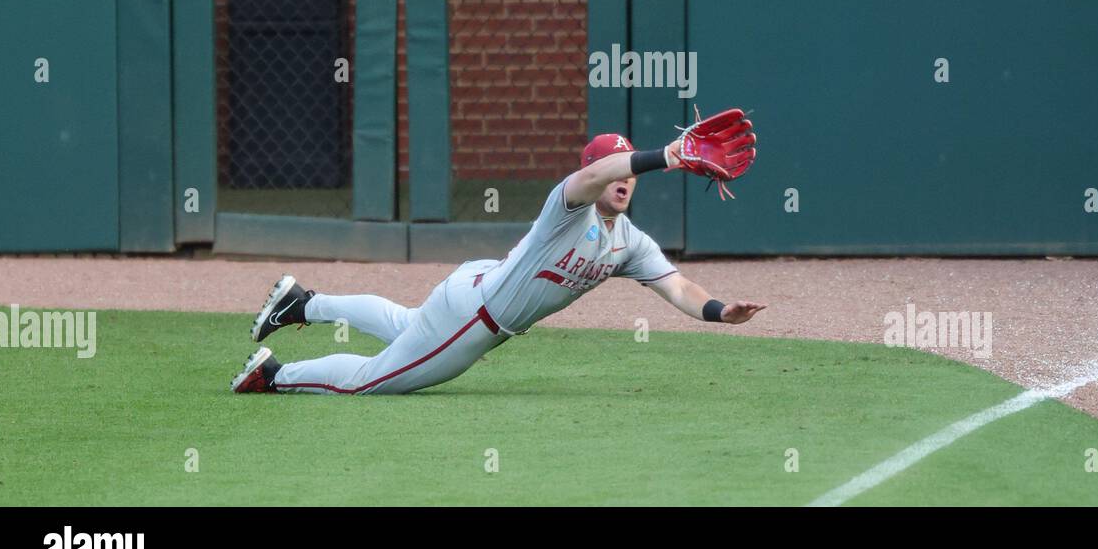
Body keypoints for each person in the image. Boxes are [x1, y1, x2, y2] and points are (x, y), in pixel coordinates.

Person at [231, 126, 764, 395]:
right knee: (373, 380)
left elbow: (676, 287)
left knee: (405, 324)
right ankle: (275, 374)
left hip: (474, 288)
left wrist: (720, 311)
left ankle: (304, 303)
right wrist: (665, 157)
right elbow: (589, 178)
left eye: (631, 174)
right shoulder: (570, 206)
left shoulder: (631, 243)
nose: (625, 180)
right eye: (614, 170)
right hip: (474, 318)